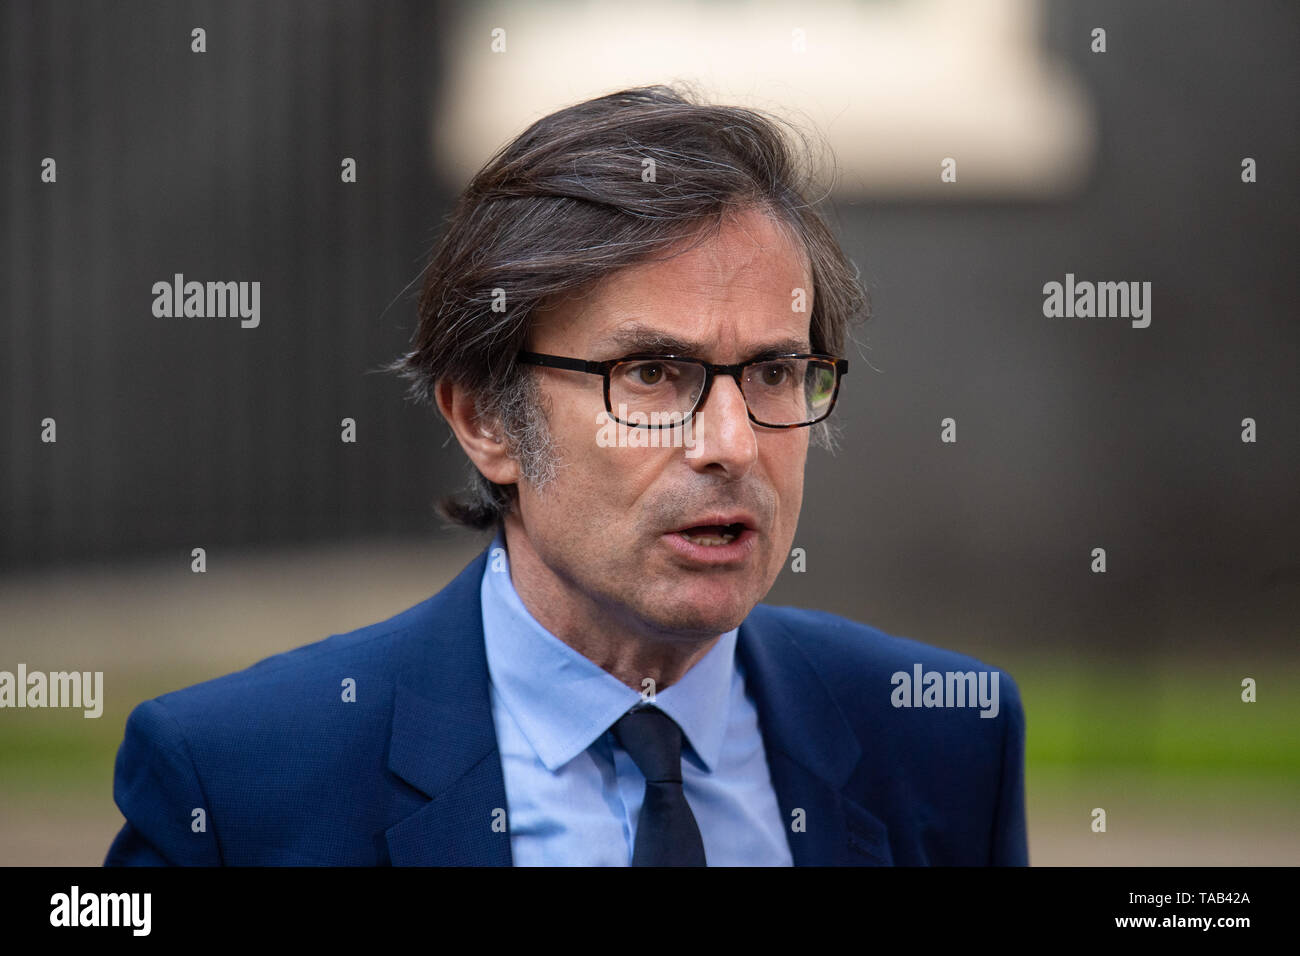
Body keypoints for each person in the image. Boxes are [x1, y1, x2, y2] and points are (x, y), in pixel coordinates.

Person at [105, 84, 1027, 866]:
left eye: (775, 373)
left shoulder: (945, 739)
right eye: (652, 374)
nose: (732, 443)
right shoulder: (235, 784)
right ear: (483, 418)